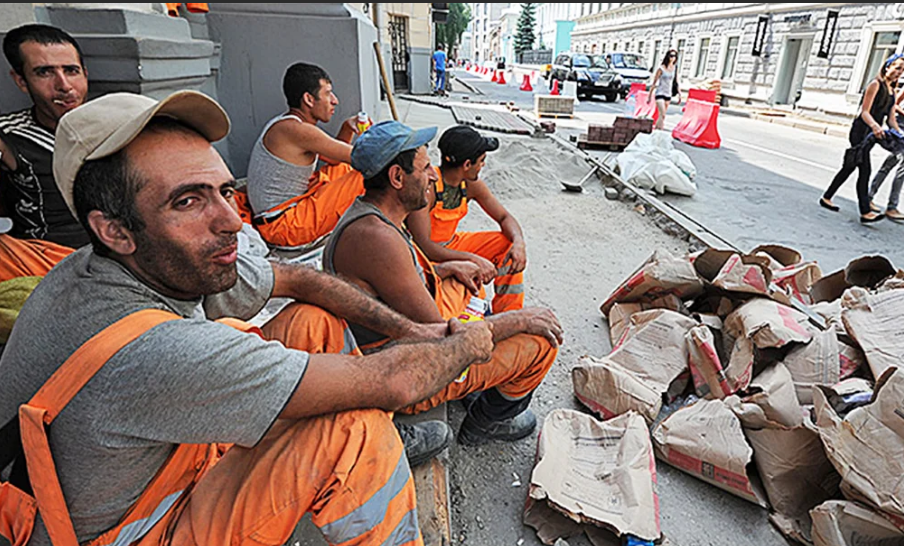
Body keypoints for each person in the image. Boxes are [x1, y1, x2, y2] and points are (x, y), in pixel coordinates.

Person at [0, 90, 499, 546]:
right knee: (352, 432)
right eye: (188, 200)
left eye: (222, 190)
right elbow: (390, 382)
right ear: (113, 229)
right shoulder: (155, 351)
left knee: (312, 321)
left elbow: (299, 280)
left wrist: (414, 331)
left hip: (145, 461)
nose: (232, 220)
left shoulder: (128, 260)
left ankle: (380, 443)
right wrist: (469, 342)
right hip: (137, 527)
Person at [325, 120, 562, 445]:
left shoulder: (374, 220)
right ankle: (488, 421)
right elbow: (441, 338)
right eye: (424, 168)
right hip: (405, 371)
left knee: (470, 279)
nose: (434, 175)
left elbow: (409, 284)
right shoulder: (377, 238)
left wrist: (449, 269)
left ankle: (479, 374)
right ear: (396, 177)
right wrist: (519, 319)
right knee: (542, 343)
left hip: (401, 344)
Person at [0, 24, 90, 282]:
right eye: (44, 73)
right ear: (21, 81)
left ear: (85, 73)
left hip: (118, 256)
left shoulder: (116, 123)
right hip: (41, 263)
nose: (64, 86)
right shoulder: (9, 135)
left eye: (71, 71)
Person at [245, 62, 367, 251]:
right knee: (365, 176)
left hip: (283, 215)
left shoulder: (289, 124)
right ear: (309, 99)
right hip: (283, 226)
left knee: (343, 169)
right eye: (328, 93)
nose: (335, 100)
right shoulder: (297, 130)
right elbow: (365, 157)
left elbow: (336, 159)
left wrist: (346, 128)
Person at [407, 125, 526, 314]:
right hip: (425, 256)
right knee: (471, 289)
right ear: (467, 165)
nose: (483, 165)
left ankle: (508, 313)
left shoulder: (471, 184)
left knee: (507, 244)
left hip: (452, 244)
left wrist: (519, 243)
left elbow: (504, 217)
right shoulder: (428, 188)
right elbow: (425, 246)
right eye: (481, 161)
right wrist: (472, 259)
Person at [821, 54, 904, 223]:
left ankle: (826, 197)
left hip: (872, 135)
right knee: (864, 170)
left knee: (849, 167)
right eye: (897, 68)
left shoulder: (892, 91)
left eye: (902, 70)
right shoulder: (875, 84)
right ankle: (865, 211)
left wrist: (900, 134)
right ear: (887, 66)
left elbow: (891, 119)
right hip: (861, 131)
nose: (899, 72)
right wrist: (875, 125)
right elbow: (864, 112)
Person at [868, 80, 904, 222]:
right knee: (901, 167)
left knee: (890, 164)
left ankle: (869, 196)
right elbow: (894, 104)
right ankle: (891, 207)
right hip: (901, 128)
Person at [648, 49, 680, 131]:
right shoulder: (661, 68)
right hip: (660, 93)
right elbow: (654, 82)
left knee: (662, 116)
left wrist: (679, 94)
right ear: (667, 57)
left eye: (675, 56)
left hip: (668, 94)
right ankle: (659, 131)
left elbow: (676, 81)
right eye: (671, 56)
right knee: (662, 114)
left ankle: (657, 131)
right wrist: (649, 95)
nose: (673, 58)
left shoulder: (674, 68)